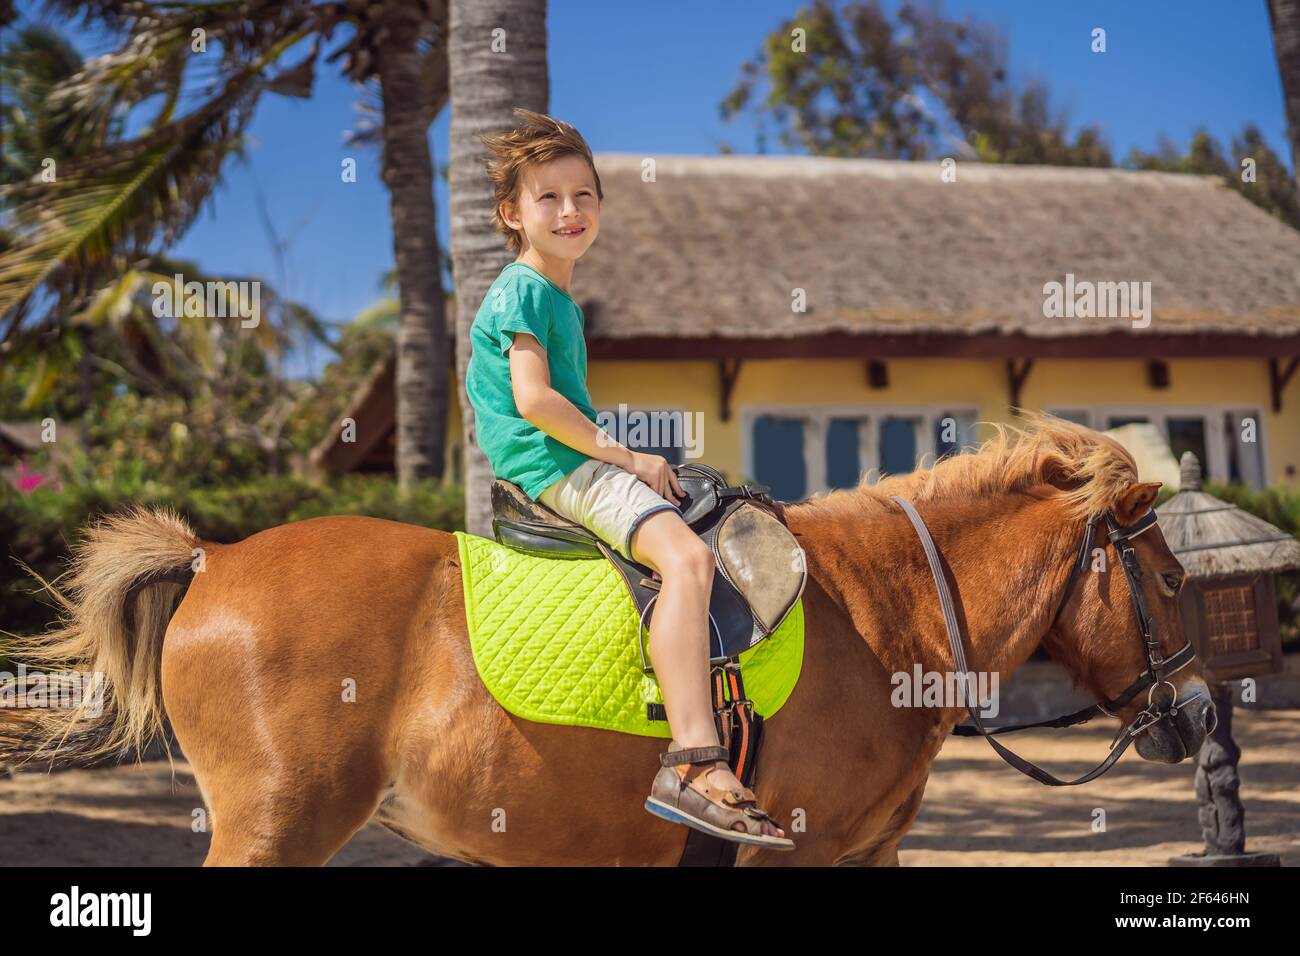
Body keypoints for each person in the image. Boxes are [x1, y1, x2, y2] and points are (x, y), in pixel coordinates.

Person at [465, 109, 791, 850]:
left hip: (559, 460)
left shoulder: (555, 297)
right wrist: (631, 459)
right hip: (554, 465)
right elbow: (535, 400)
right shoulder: (523, 289)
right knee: (688, 559)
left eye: (584, 195)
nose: (570, 210)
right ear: (511, 215)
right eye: (548, 197)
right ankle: (696, 762)